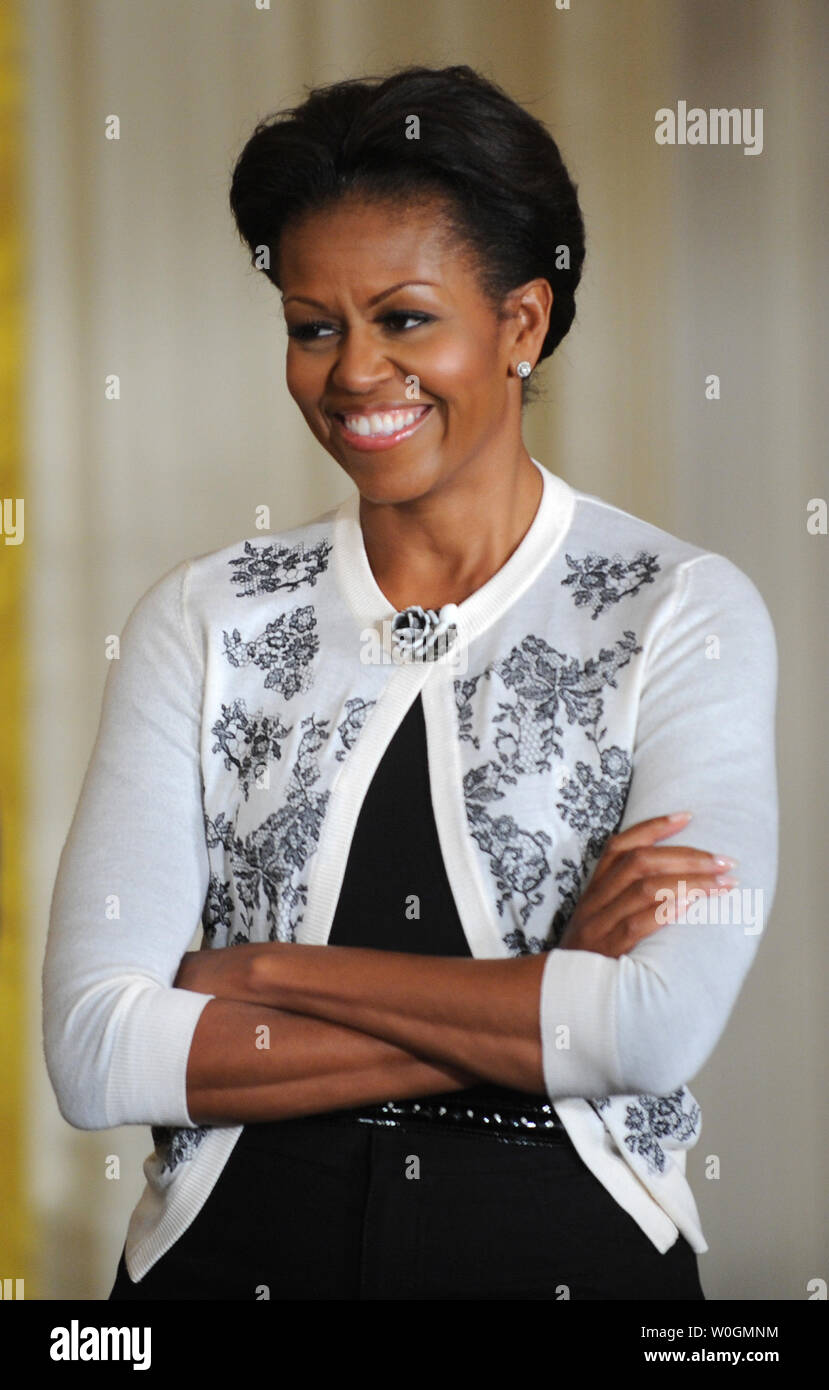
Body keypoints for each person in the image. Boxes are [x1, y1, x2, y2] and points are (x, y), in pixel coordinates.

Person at [43, 63, 778, 1301]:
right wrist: (544, 1006)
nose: (353, 373)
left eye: (404, 319)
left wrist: (260, 972)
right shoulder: (207, 617)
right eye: (313, 326)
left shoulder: (678, 609)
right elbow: (97, 1051)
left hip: (569, 1259)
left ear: (522, 324)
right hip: (224, 1265)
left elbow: (654, 1028)